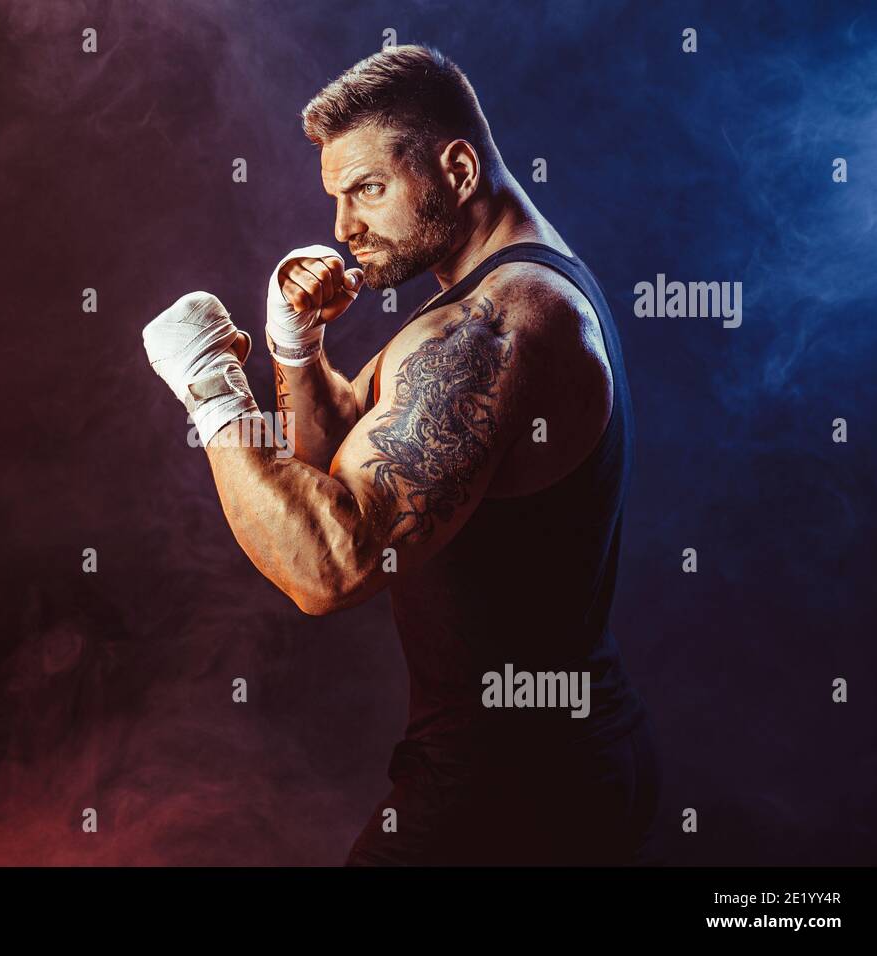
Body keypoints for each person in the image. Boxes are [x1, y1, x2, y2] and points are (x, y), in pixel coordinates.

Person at [142, 44, 660, 865]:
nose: (344, 228)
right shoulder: (491, 297)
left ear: (457, 169)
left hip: (512, 794)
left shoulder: (495, 328)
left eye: (368, 190)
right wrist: (296, 347)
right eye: (337, 198)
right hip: (539, 764)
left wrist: (210, 385)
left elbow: (330, 563)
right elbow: (343, 459)